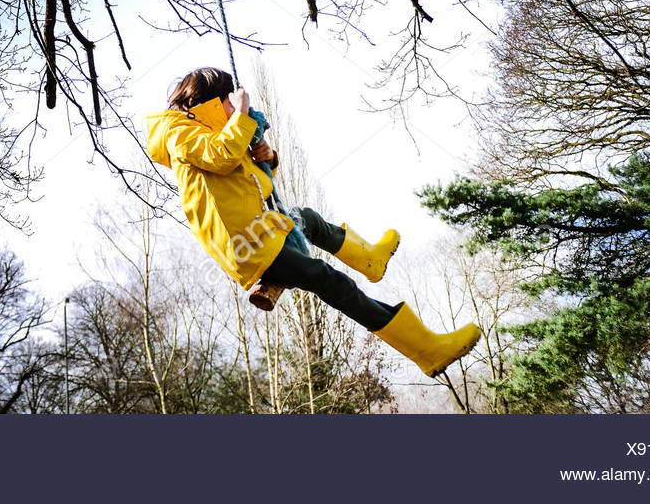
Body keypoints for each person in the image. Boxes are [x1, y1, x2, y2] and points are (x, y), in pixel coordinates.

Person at [145, 66, 481, 377]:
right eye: (229, 103)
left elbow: (251, 180)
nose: (235, 109)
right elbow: (221, 158)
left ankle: (369, 259)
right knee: (330, 281)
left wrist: (267, 157)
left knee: (307, 218)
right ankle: (426, 350)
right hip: (247, 244)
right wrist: (244, 114)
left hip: (262, 231)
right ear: (213, 104)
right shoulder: (179, 133)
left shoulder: (209, 131)